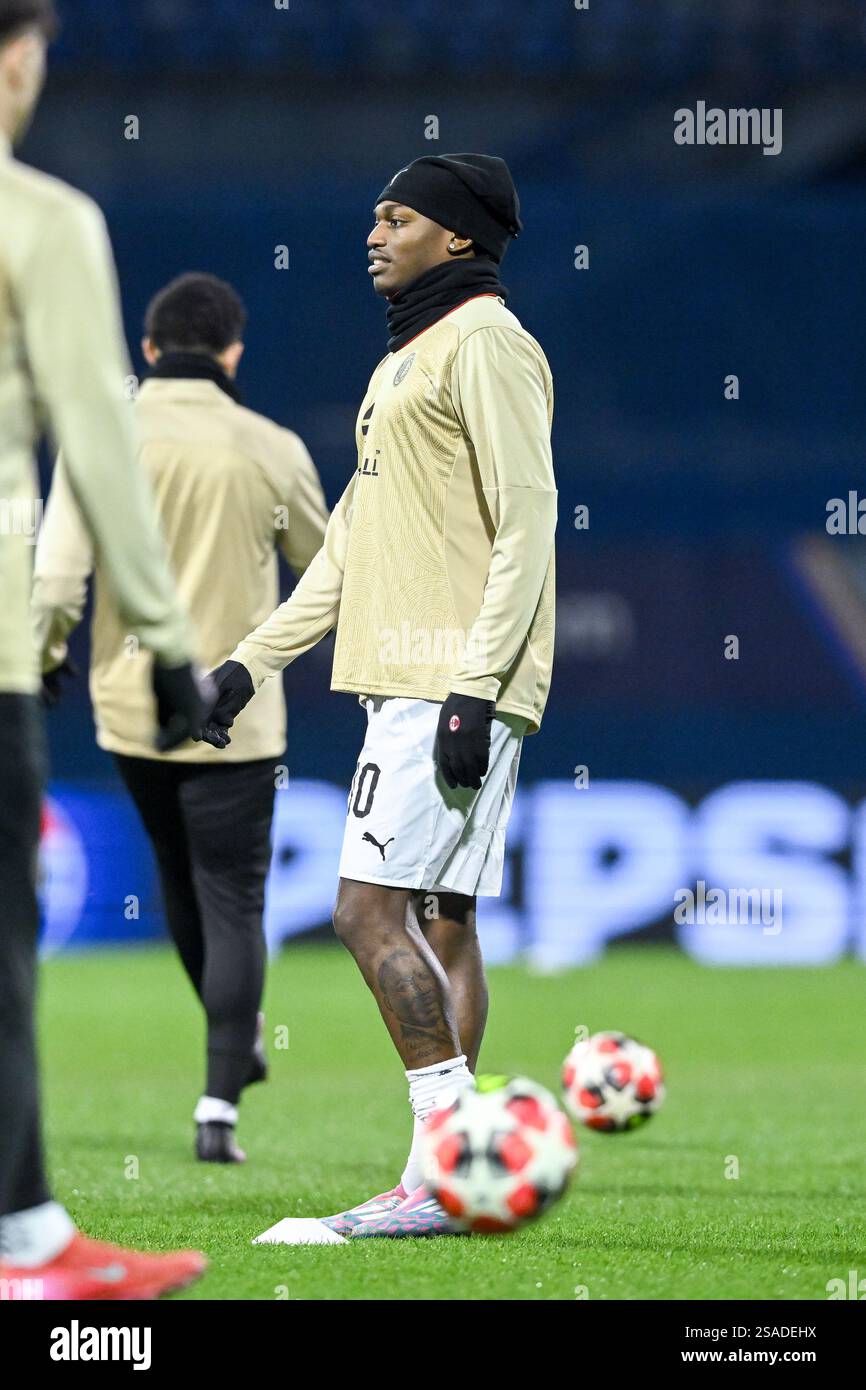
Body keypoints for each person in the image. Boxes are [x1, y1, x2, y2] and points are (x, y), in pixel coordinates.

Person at [199, 153, 557, 1237]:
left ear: (453, 237)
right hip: (417, 679)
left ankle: (451, 1167)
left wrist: (473, 686)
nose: (373, 229)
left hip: (443, 680)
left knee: (364, 911)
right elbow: (345, 549)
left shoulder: (489, 343)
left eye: (395, 215)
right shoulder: (404, 358)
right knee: (442, 923)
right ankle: (437, 1179)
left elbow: (528, 518)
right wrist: (246, 663)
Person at [0, 0, 208, 1297]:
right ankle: (25, 1245)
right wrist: (167, 632)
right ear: (15, 54)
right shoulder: (45, 221)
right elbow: (99, 437)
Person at [31, 271, 329, 1164]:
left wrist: (45, 655)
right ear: (233, 352)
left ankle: (232, 1047)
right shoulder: (271, 446)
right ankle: (218, 1107)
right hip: (238, 707)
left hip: (132, 708)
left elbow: (55, 579)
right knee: (234, 898)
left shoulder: (105, 437)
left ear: (151, 351)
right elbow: (329, 570)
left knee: (177, 878)